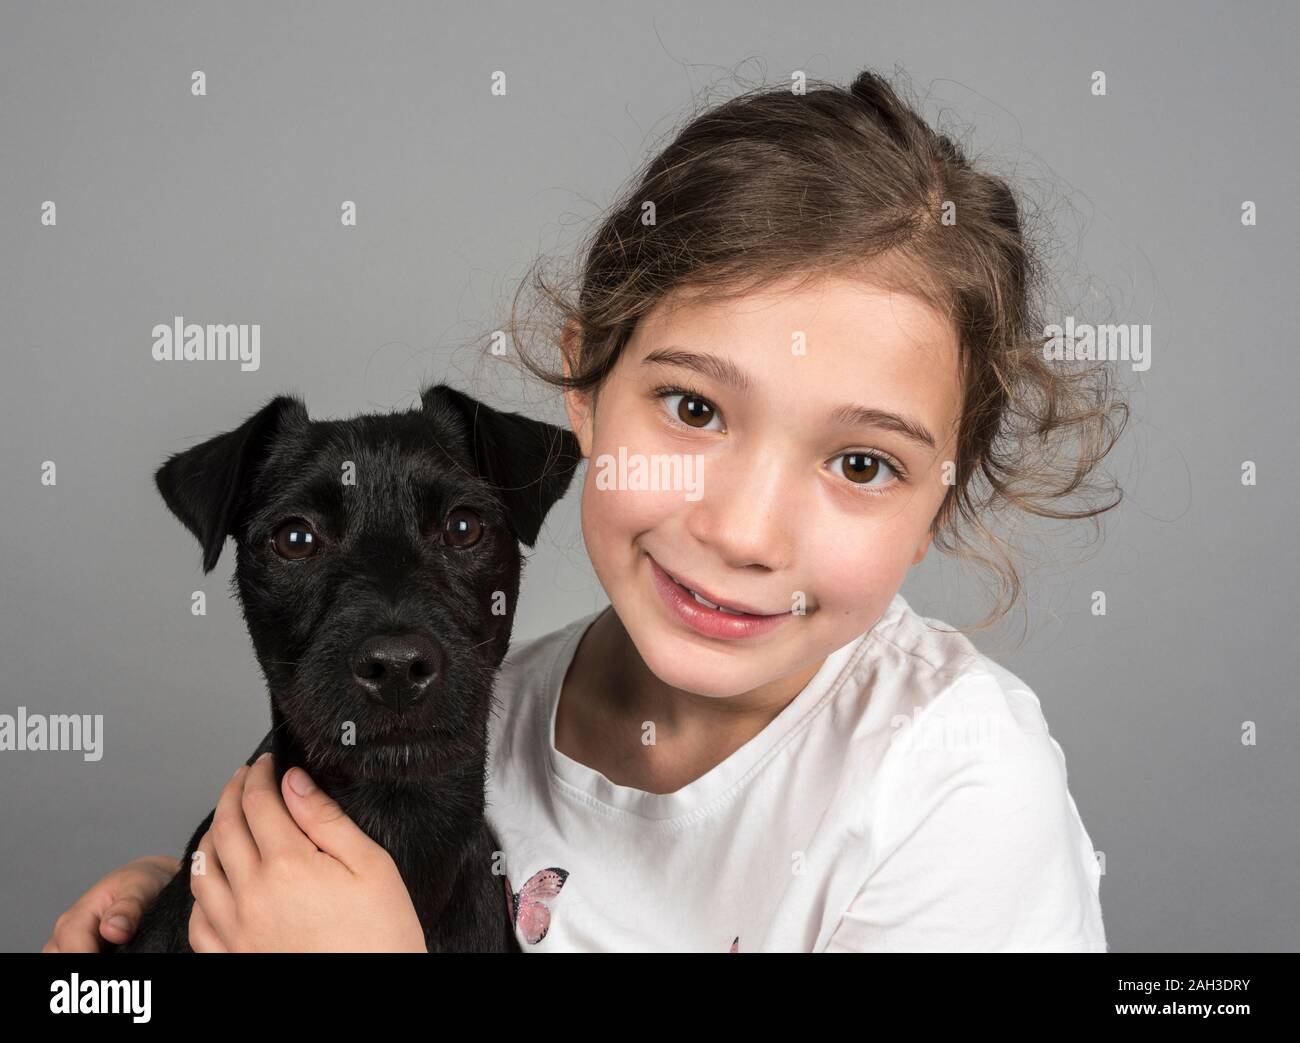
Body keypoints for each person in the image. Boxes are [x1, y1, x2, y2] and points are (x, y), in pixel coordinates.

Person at [44, 68, 1125, 953]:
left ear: (946, 492)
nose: (745, 531)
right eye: (693, 406)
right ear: (585, 384)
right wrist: (168, 930)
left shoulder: (956, 789)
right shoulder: (464, 722)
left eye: (859, 461)